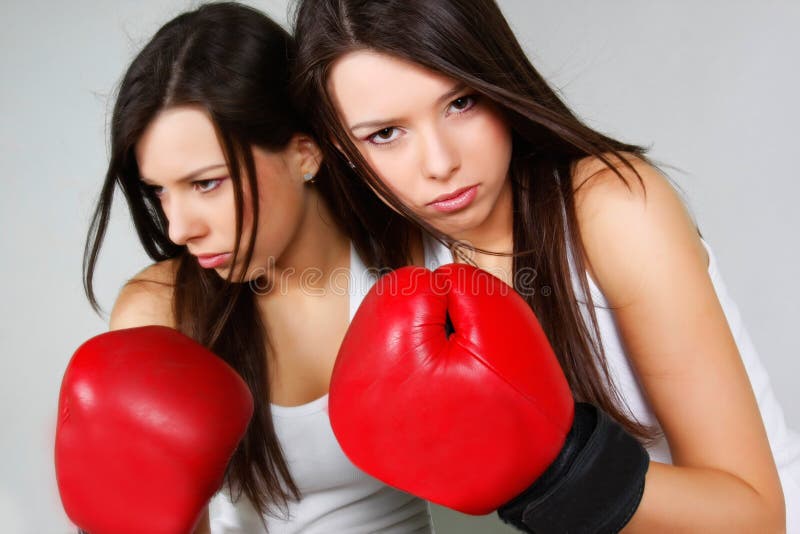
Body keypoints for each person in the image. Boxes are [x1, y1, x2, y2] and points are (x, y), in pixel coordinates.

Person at [290, 0, 800, 531]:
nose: (441, 163)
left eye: (461, 102)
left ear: (498, 82)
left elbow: (755, 516)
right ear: (341, 149)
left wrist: (552, 471)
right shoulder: (409, 262)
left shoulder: (612, 209)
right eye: (385, 134)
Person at [81, 3, 433, 533]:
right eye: (159, 191)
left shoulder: (413, 266)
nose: (178, 229)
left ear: (304, 153)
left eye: (206, 183)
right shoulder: (161, 312)